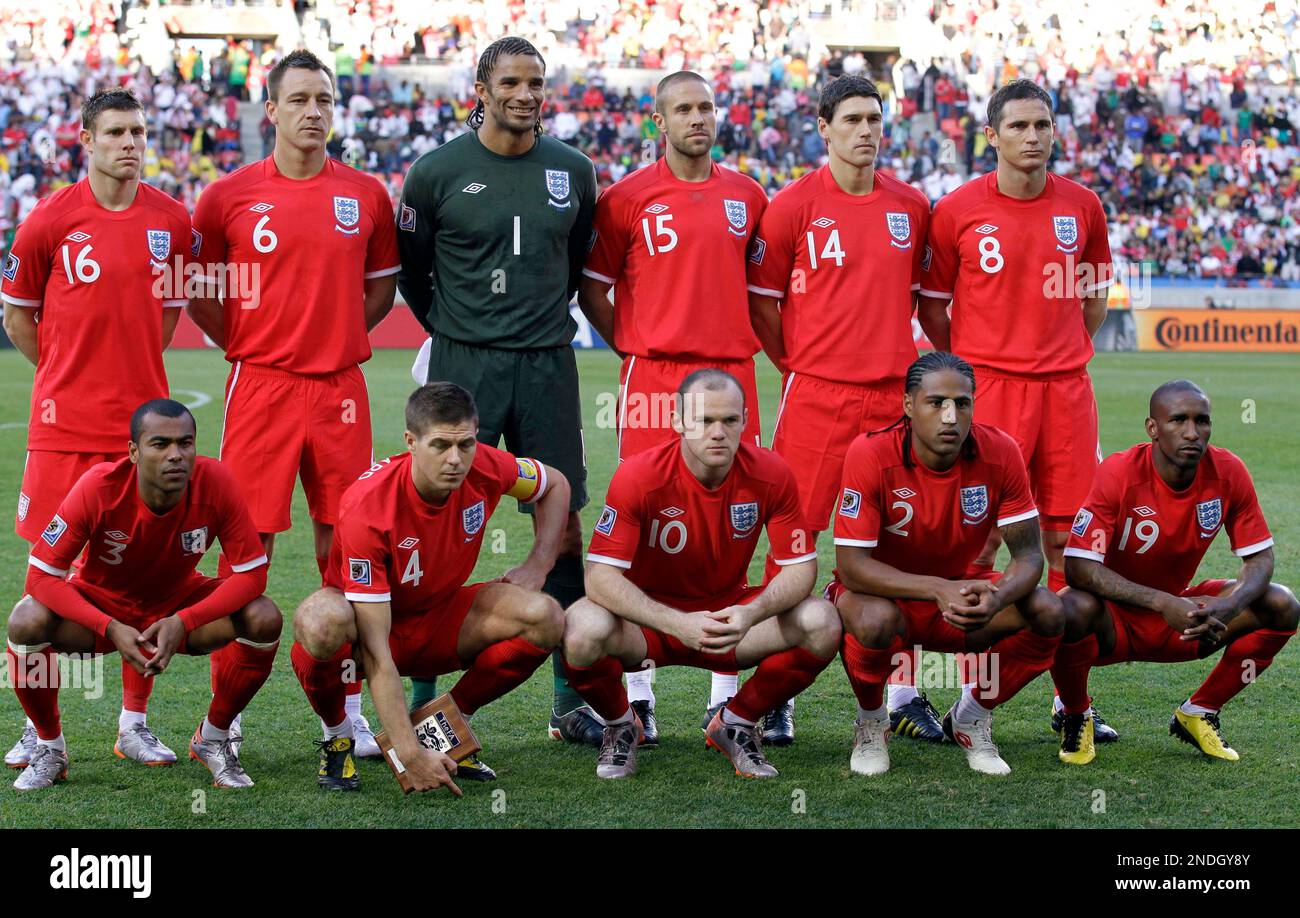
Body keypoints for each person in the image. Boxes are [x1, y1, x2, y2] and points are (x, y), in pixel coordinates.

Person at [189, 49, 400, 758]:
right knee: (246, 556)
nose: (315, 111)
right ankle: (222, 718)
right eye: (301, 99)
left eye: (326, 99)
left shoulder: (367, 195)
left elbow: (377, 295)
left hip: (340, 389)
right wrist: (253, 342)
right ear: (271, 110)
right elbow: (202, 293)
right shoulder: (225, 196)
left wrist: (333, 338)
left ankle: (341, 715)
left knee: (346, 551)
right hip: (262, 388)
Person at [396, 37, 599, 746]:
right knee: (436, 517)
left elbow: (573, 264)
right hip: (465, 366)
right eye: (510, 81)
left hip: (547, 363)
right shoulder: (435, 173)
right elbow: (413, 275)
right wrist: (460, 331)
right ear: (480, 88)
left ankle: (570, 697)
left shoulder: (573, 171)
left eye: (536, 82)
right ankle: (421, 691)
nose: (525, 93)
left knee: (565, 517)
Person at [918, 79, 1118, 739]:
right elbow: (935, 307)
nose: (1033, 137)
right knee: (970, 540)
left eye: (1042, 125)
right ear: (993, 135)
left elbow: (1092, 298)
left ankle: (1072, 707)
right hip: (991, 393)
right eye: (1019, 126)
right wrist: (981, 370)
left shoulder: (1084, 207)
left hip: (1066, 393)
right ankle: (918, 695)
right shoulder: (955, 210)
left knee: (1070, 547)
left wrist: (1058, 353)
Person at [1, 88, 193, 770]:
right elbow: (19, 317)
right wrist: (64, 374)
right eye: (114, 132)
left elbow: (167, 318)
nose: (130, 142)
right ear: (85, 139)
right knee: (42, 586)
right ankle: (39, 732)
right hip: (60, 431)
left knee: (140, 581)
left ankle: (133, 724)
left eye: (138, 131)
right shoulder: (46, 220)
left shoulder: (173, 221)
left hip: (141, 434)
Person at [577, 70, 768, 746]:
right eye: (683, 108)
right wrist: (632, 343)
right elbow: (595, 288)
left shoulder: (748, 195)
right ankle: (639, 692)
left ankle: (728, 693)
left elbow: (763, 287)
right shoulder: (626, 197)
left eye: (707, 106)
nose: (698, 118)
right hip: (655, 377)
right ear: (659, 120)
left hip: (730, 376)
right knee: (642, 525)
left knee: (734, 528)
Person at [746, 74, 937, 744]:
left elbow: (920, 301)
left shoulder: (913, 207)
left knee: (902, 541)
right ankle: (775, 693)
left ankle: (906, 695)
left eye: (875, 119)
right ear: (822, 127)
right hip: (817, 395)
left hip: (892, 397)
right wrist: (798, 364)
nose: (866, 131)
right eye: (852, 119)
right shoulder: (793, 204)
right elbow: (762, 304)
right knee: (793, 545)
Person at [290, 383, 571, 792]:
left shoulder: (488, 465)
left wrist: (538, 564)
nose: (456, 459)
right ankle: (338, 736)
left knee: (545, 616)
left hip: (440, 615)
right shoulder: (368, 507)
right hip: (369, 634)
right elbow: (376, 652)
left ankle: (445, 723)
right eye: (440, 445)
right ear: (411, 442)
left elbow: (555, 484)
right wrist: (409, 756)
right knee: (320, 620)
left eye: (466, 444)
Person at [562, 369, 840, 779]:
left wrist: (749, 614)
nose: (718, 433)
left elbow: (800, 568)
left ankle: (736, 722)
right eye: (703, 420)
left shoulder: (771, 472)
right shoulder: (640, 475)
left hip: (729, 622)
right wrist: (676, 623)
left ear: (745, 420)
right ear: (677, 421)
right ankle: (622, 725)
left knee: (822, 621)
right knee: (580, 628)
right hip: (650, 625)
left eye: (729, 420)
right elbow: (600, 577)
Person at [7, 400, 281, 790]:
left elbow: (252, 576)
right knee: (26, 620)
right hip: (101, 606)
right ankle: (50, 747)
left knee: (263, 616)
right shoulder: (99, 487)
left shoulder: (216, 482)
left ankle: (214, 738)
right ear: (134, 452)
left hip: (176, 604)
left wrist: (184, 620)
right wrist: (109, 626)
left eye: (185, 443)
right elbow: (40, 577)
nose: (175, 455)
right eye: (160, 444)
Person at [830, 352, 1064, 776]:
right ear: (907, 406)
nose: (951, 417)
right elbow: (850, 566)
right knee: (874, 620)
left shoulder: (1000, 451)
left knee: (1048, 610)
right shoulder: (870, 452)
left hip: (964, 593)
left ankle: (971, 715)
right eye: (936, 403)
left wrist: (998, 597)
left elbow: (1030, 556)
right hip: (886, 596)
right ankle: (871, 720)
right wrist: (938, 588)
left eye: (962, 403)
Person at [1054, 380, 1296, 764]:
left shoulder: (1228, 471)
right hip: (1112, 624)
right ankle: (1075, 713)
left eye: (1202, 421)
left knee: (1282, 604)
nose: (1191, 432)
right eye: (1178, 420)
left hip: (1184, 621)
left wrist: (1230, 606)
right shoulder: (1119, 472)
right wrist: (1160, 601)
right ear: (1152, 428)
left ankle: (1199, 712)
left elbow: (1261, 558)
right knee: (1067, 609)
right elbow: (1079, 567)